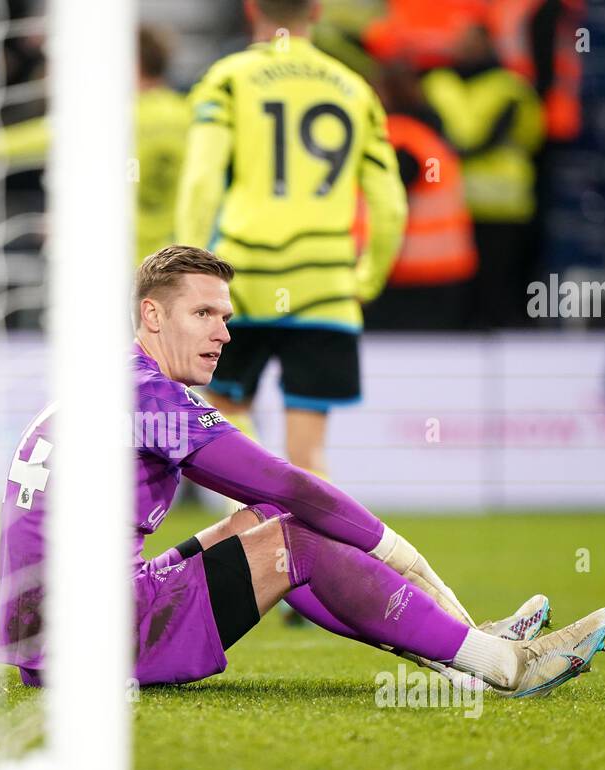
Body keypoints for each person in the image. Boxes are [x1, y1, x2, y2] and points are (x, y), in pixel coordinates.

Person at [0, 245, 605, 695]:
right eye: (204, 315)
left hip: (47, 634)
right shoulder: (149, 398)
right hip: (91, 636)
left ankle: (461, 646)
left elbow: (265, 499)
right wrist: (400, 552)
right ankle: (504, 665)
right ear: (153, 316)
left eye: (227, 317)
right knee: (295, 538)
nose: (223, 334)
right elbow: (283, 480)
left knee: (261, 524)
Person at [175, 0, 407, 477]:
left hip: (242, 279)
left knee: (221, 413)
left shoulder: (229, 78)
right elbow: (390, 204)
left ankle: (260, 505)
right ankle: (307, 541)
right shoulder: (355, 89)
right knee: (309, 452)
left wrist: (192, 268)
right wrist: (368, 278)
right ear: (317, 11)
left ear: (251, 8)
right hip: (326, 283)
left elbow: (201, 181)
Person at [0, 25, 189, 264]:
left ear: (130, 65)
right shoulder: (181, 112)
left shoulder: (135, 115)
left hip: (133, 262)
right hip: (161, 257)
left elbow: (68, 133)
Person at [423, 23, 544, 329]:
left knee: (497, 284)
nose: (461, 47)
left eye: (469, 41)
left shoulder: (510, 86)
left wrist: (453, 151)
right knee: (457, 288)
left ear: (488, 44)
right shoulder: (436, 83)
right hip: (449, 206)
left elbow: (523, 137)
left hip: (501, 205)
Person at [359, 62, 477, 331]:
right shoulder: (427, 134)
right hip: (446, 271)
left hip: (406, 276)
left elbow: (389, 206)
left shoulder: (395, 138)